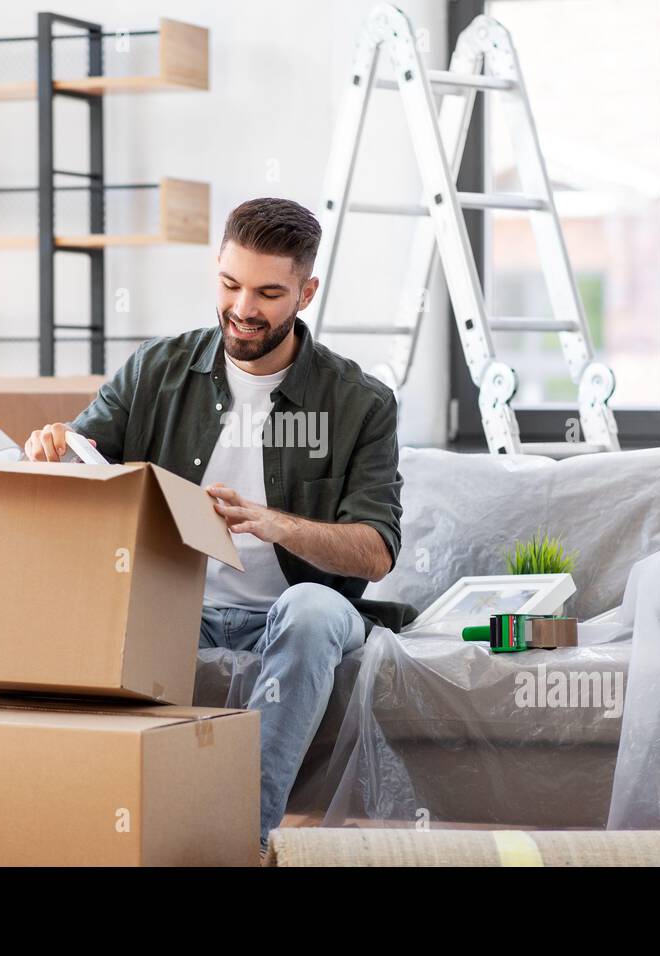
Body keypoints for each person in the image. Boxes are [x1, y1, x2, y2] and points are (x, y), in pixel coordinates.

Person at [25, 196, 414, 853]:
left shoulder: (359, 402)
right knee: (85, 604)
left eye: (268, 293)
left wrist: (272, 523)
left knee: (312, 609)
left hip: (299, 612)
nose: (243, 308)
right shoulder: (157, 370)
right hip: (182, 603)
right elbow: (83, 466)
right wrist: (53, 450)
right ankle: (70, 832)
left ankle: (237, 842)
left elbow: (375, 552)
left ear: (306, 291)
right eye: (231, 285)